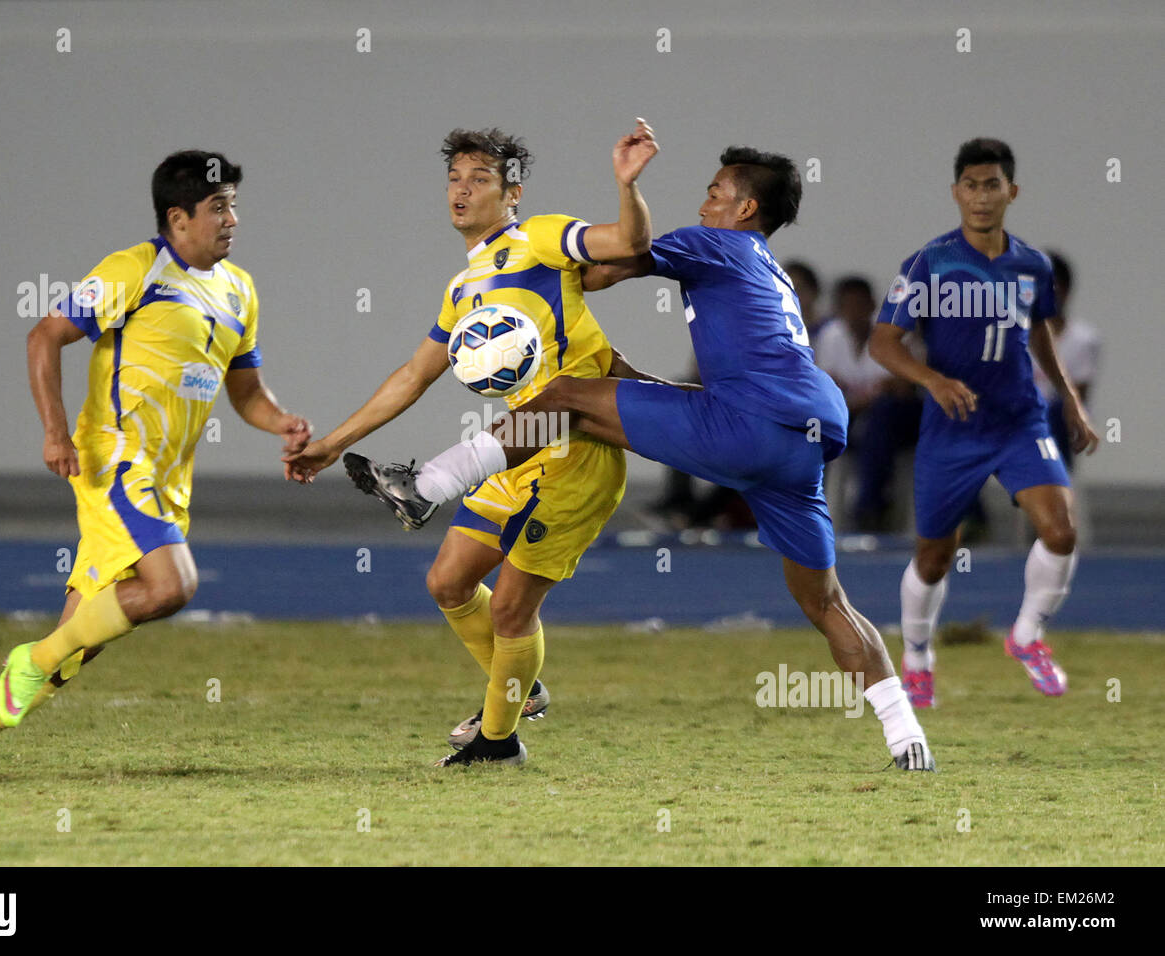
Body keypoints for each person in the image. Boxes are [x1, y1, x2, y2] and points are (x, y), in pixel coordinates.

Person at [347, 146, 936, 771]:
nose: (705, 202)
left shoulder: (717, 243)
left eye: (715, 192)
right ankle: (907, 737)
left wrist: (564, 252)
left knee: (568, 396)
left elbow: (614, 258)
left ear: (745, 207)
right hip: (807, 433)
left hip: (748, 423)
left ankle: (431, 484)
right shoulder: (771, 269)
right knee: (827, 603)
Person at [0, 151, 311, 784]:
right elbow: (44, 336)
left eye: (234, 204)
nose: (232, 218)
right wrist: (54, 432)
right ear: (178, 218)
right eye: (219, 207)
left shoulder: (240, 290)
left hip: (170, 481)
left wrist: (284, 423)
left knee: (80, 639)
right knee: (171, 586)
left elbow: (247, 393)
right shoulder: (135, 270)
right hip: (119, 464)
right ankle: (31, 656)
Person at [286, 122, 660, 767]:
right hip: (517, 451)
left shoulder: (540, 240)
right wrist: (331, 444)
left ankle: (497, 740)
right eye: (455, 179)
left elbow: (629, 241)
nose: (462, 191)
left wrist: (626, 184)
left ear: (512, 195)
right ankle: (520, 690)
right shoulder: (463, 287)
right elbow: (413, 376)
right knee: (448, 580)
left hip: (574, 451)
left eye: (480, 179)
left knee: (513, 610)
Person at [868, 138, 1099, 709]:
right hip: (952, 429)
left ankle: (1026, 636)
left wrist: (1070, 399)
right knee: (933, 556)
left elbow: (1040, 331)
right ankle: (917, 656)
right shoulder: (929, 263)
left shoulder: (1032, 264)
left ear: (1010, 192)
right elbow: (882, 342)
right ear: (956, 193)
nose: (980, 195)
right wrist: (932, 380)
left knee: (1061, 531)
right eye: (970, 185)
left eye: (991, 184)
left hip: (1019, 419)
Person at [813, 276, 921, 531]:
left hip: (900, 420)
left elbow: (903, 390)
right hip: (852, 417)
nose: (855, 312)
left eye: (860, 305)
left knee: (880, 417)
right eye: (848, 305)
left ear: (872, 304)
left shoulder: (893, 332)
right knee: (814, 427)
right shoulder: (831, 336)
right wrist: (869, 396)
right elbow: (825, 391)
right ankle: (808, 507)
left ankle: (870, 506)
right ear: (839, 308)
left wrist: (860, 399)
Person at [1033, 252, 1099, 467]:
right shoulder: (1016, 335)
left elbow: (1079, 395)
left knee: (1057, 410)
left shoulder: (1083, 338)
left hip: (1059, 418)